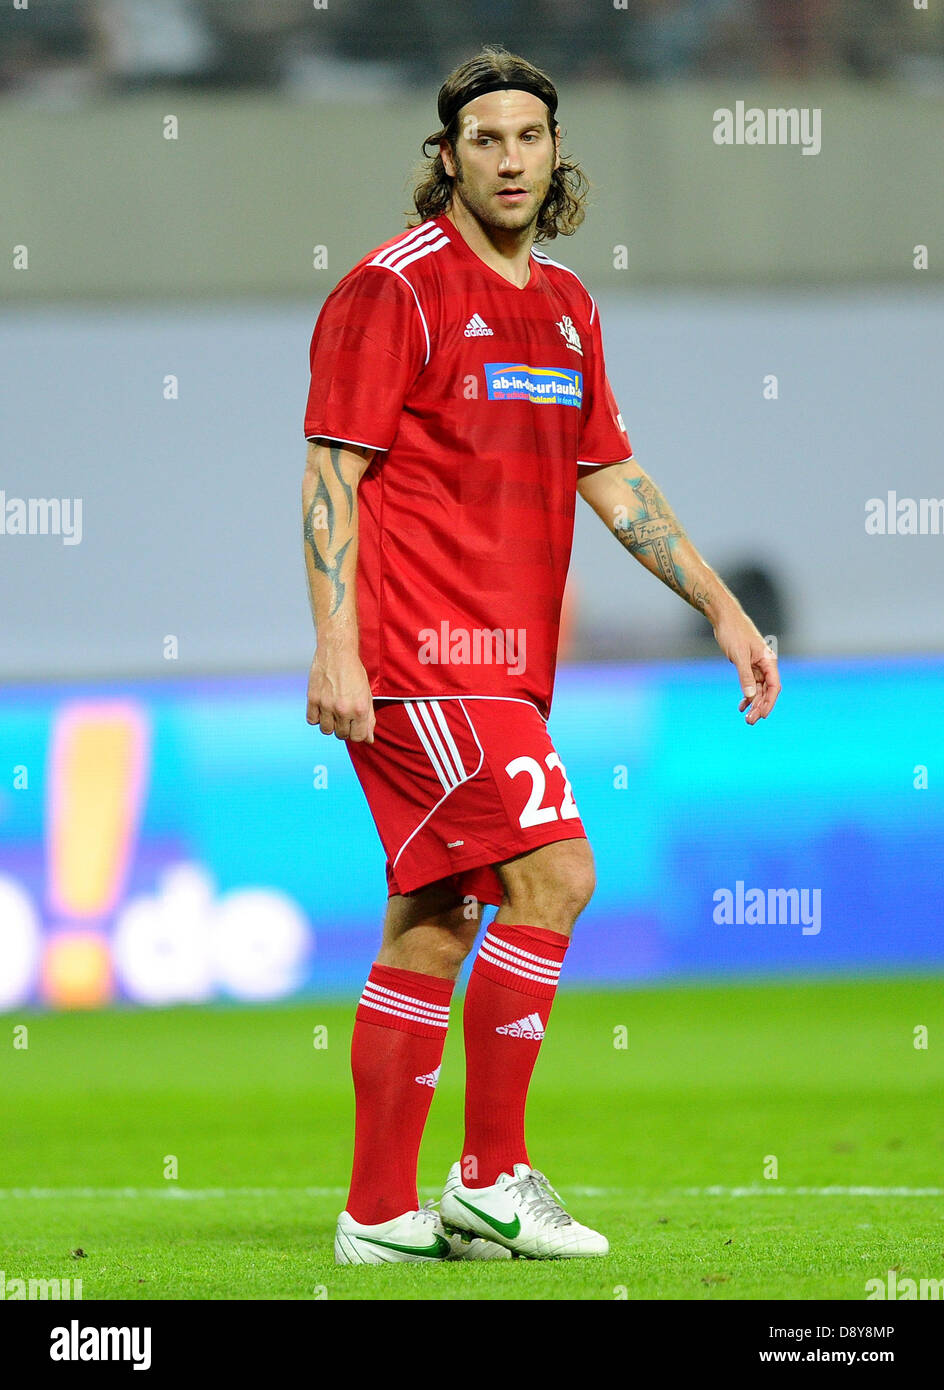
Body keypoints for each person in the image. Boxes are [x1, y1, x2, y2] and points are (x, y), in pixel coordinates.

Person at [301, 43, 780, 1265]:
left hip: (503, 667)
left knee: (431, 922)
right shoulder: (392, 290)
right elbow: (329, 476)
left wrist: (720, 609)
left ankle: (374, 1215)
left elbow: (606, 475)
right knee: (557, 878)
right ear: (445, 156)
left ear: (555, 150)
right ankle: (492, 1174)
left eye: (528, 137)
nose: (508, 160)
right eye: (483, 140)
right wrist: (334, 649)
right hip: (422, 657)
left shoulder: (565, 307)